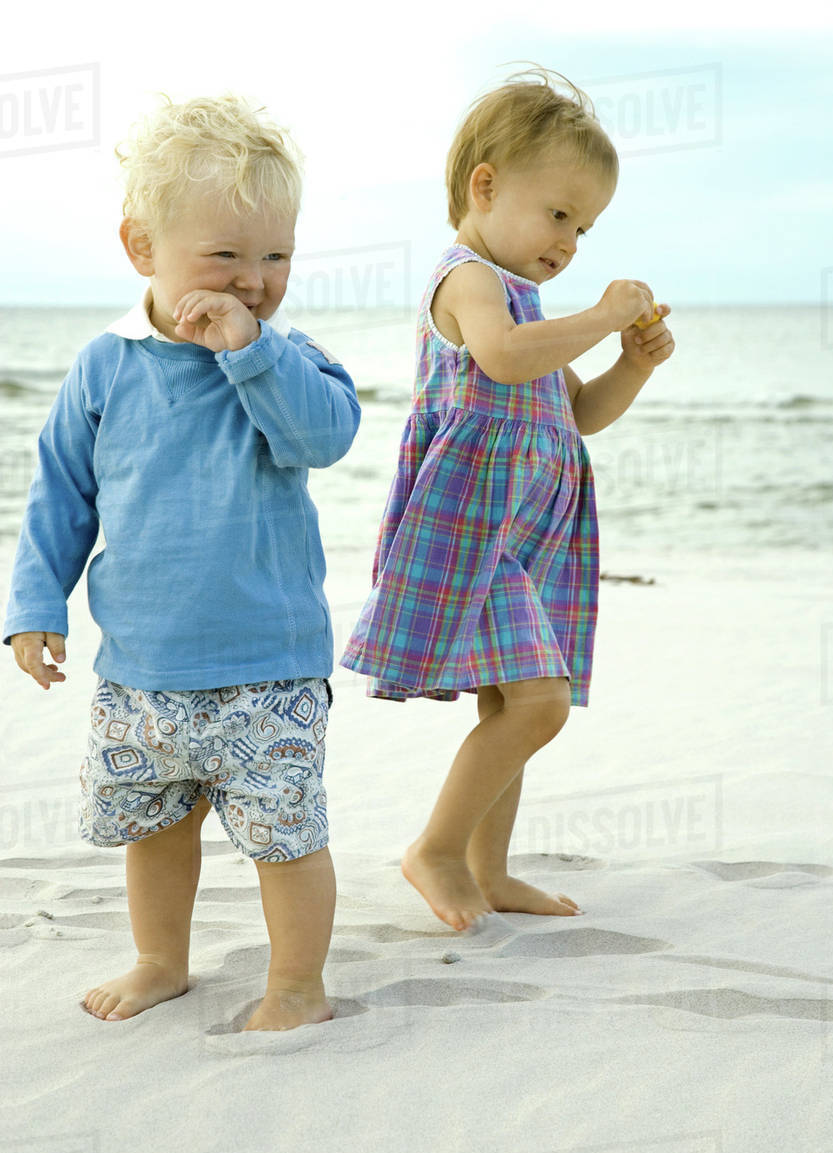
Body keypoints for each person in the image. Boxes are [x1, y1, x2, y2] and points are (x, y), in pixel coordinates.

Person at [3, 95, 361, 1030]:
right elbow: (59, 496)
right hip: (140, 670)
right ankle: (161, 960)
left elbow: (322, 439)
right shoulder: (105, 366)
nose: (253, 280)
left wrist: (251, 356)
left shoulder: (290, 358)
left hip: (268, 666)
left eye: (275, 257)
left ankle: (295, 984)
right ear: (141, 248)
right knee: (154, 829)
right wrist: (35, 606)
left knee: (285, 837)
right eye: (226, 256)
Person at [340, 67, 674, 933]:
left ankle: (487, 868)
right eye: (557, 214)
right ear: (484, 187)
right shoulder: (469, 282)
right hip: (468, 530)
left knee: (510, 701)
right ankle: (437, 851)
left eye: (584, 227)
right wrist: (602, 317)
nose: (568, 241)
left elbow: (579, 414)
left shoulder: (526, 303)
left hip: (523, 532)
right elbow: (500, 359)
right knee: (539, 701)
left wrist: (629, 365)